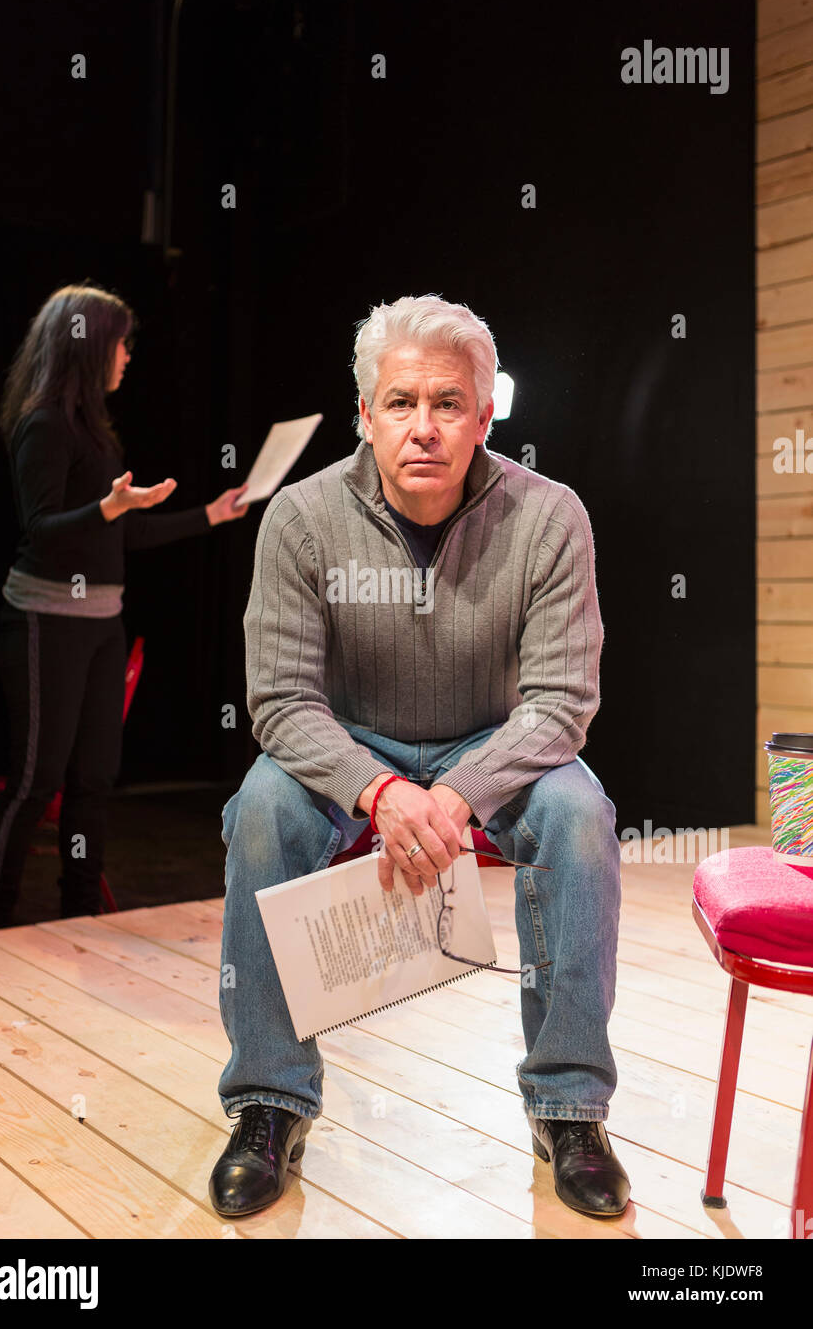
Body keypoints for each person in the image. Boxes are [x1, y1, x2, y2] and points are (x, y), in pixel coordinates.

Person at [210, 293, 629, 1222]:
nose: (425, 428)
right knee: (265, 809)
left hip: (495, 742)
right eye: (400, 403)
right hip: (351, 744)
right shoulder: (302, 519)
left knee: (581, 814)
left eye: (449, 404)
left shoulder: (551, 516)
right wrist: (381, 788)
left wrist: (460, 793)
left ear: (486, 415)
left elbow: (562, 702)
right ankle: (269, 1101)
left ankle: (569, 1108)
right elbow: (281, 700)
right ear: (364, 415)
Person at [0, 283, 248, 930]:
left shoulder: (95, 430)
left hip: (102, 623)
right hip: (46, 622)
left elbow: (119, 531)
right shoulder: (42, 421)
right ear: (92, 344)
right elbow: (41, 528)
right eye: (122, 342)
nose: (128, 355)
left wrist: (210, 515)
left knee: (95, 781)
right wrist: (108, 507)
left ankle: (78, 921)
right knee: (35, 780)